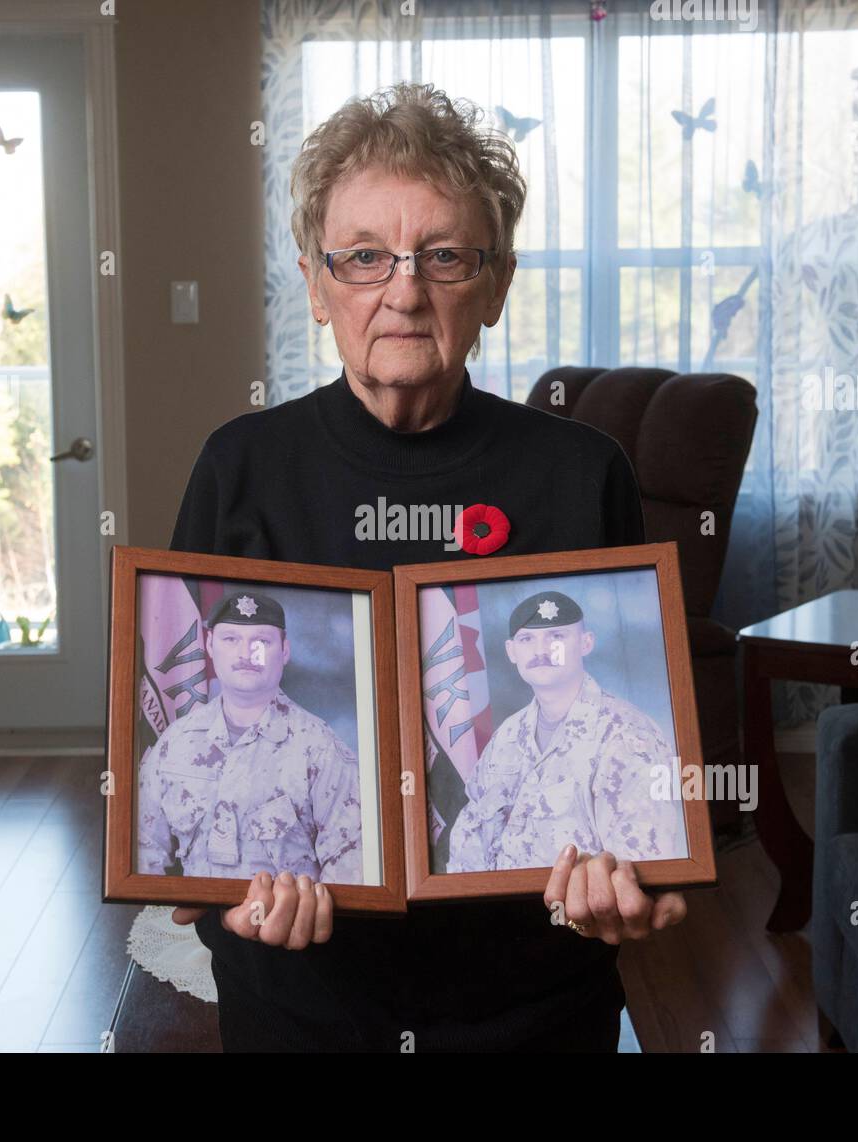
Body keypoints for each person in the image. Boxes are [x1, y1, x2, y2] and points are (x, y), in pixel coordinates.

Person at [167, 81, 687, 1051]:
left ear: (495, 282)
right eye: (363, 257)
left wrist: (634, 875)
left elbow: (642, 757)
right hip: (299, 984)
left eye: (442, 256)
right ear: (316, 284)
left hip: (531, 989)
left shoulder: (582, 474)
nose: (401, 290)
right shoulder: (239, 467)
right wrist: (215, 897)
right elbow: (190, 742)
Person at [446, 589, 687, 874]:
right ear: (512, 651)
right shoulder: (506, 737)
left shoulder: (627, 735)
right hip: (492, 907)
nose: (541, 652)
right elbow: (468, 841)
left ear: (586, 643)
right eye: (527, 639)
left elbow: (640, 871)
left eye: (557, 636)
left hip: (581, 912)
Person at [135, 590, 362, 884]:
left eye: (262, 641)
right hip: (200, 919)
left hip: (287, 924)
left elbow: (351, 859)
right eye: (231, 639)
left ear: (284, 651)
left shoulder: (320, 748)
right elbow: (142, 846)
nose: (246, 653)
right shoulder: (175, 743)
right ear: (210, 646)